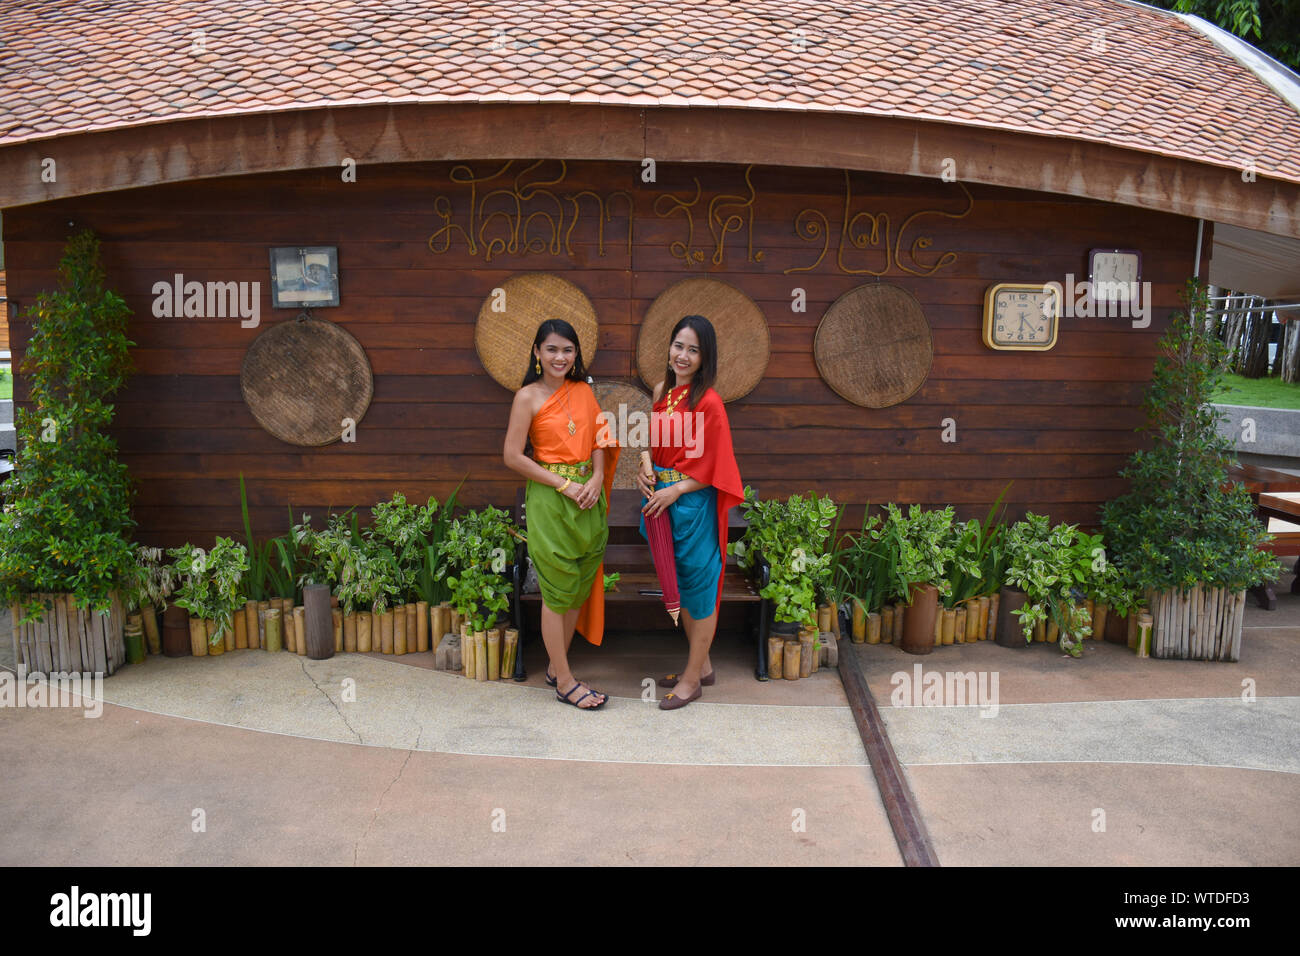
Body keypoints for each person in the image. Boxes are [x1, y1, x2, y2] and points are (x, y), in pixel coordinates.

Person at [503, 319, 619, 709]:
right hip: (553, 502)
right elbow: (512, 456)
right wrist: (564, 484)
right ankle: (565, 682)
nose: (560, 357)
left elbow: (601, 438)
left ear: (576, 355)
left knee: (577, 588)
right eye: (551, 349)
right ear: (537, 352)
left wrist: (598, 476)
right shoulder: (527, 397)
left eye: (568, 350)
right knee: (557, 591)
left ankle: (557, 665)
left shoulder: (583, 392)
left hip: (588, 498)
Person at [638, 315, 744, 710]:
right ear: (669, 348)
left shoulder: (709, 401)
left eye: (693, 350)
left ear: (704, 358)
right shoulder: (662, 390)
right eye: (678, 346)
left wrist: (677, 488)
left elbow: (718, 465)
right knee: (678, 584)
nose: (683, 355)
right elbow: (653, 443)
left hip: (692, 507)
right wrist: (644, 465)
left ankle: (690, 679)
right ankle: (704, 666)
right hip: (660, 503)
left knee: (699, 590)